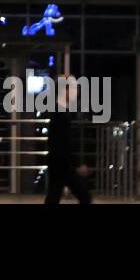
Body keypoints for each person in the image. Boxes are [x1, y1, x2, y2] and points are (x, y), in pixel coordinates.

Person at [44, 75, 92, 205]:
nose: (75, 92)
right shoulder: (61, 114)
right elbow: (63, 143)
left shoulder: (60, 112)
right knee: (84, 197)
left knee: (53, 197)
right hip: (62, 164)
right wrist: (76, 165)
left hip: (58, 162)